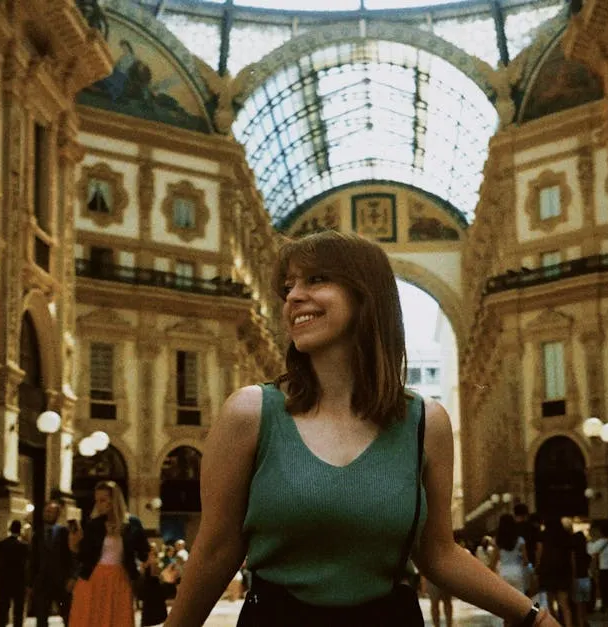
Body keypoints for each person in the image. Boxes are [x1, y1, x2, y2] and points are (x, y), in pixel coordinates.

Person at [163, 231, 560, 626]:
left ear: (365, 294)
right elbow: (217, 549)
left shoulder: (425, 423)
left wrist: (532, 617)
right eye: (288, 286)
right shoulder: (250, 413)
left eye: (316, 279)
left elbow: (438, 553)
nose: (294, 297)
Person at [68, 480, 151, 627]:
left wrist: (148, 565)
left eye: (103, 500)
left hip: (120, 579)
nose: (99, 504)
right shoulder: (94, 524)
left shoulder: (132, 523)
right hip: (92, 579)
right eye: (97, 500)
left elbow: (144, 552)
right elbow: (84, 557)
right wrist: (74, 545)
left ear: (114, 500)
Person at [29, 499, 75, 626]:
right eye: (46, 511)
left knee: (68, 617)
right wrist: (30, 583)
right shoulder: (37, 534)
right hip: (42, 583)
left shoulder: (64, 533)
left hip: (62, 582)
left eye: (51, 512)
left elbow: (71, 556)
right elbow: (33, 559)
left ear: (57, 514)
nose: (47, 514)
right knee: (41, 619)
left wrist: (72, 577)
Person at [0, 519, 29, 627]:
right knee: (18, 609)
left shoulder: (1, 544)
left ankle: (2, 625)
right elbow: (27, 563)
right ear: (20, 531)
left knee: (3, 607)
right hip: (19, 580)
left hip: (4, 580)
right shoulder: (24, 546)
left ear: (10, 529)